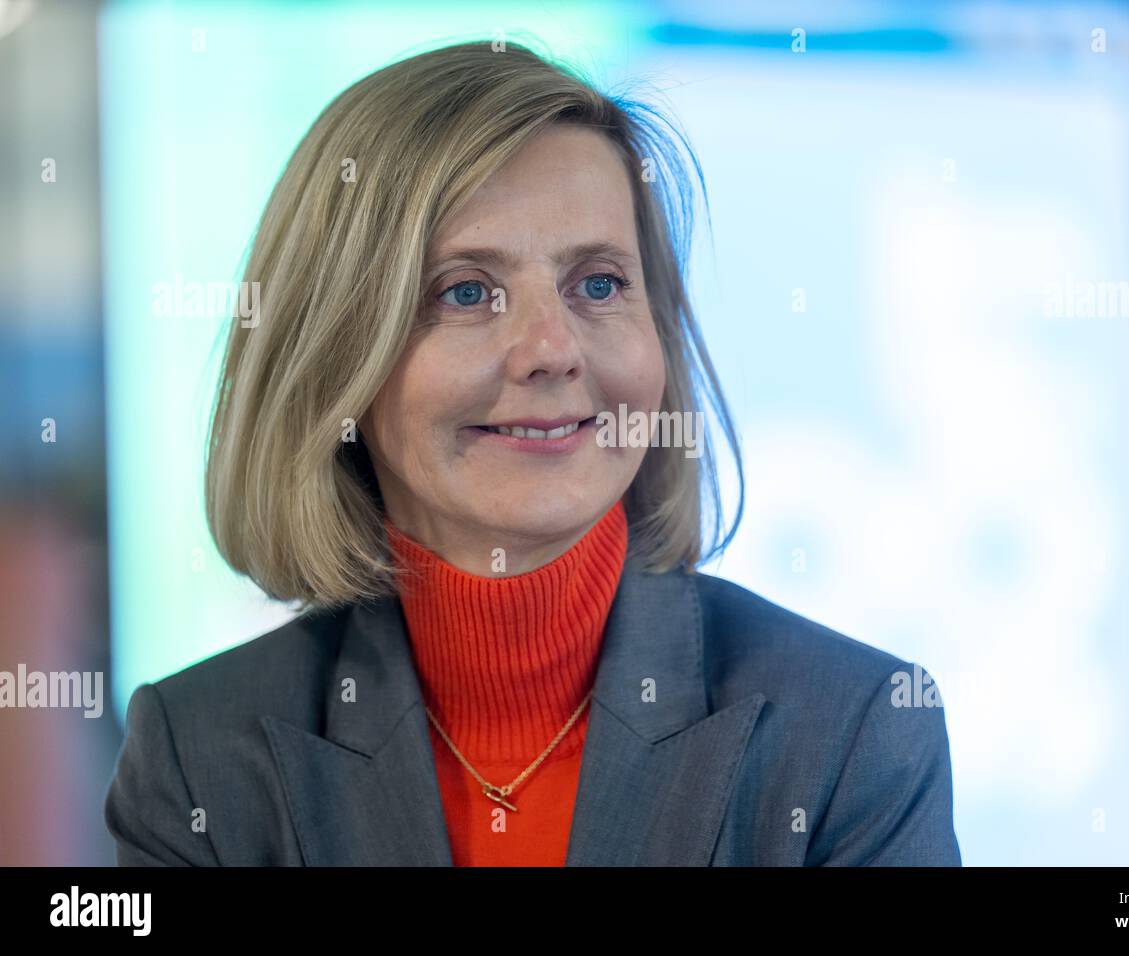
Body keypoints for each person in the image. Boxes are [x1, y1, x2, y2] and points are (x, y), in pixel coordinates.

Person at [103, 40, 961, 866]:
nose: (552, 349)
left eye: (599, 284)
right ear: (336, 356)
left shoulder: (852, 735)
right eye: (466, 292)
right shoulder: (199, 757)